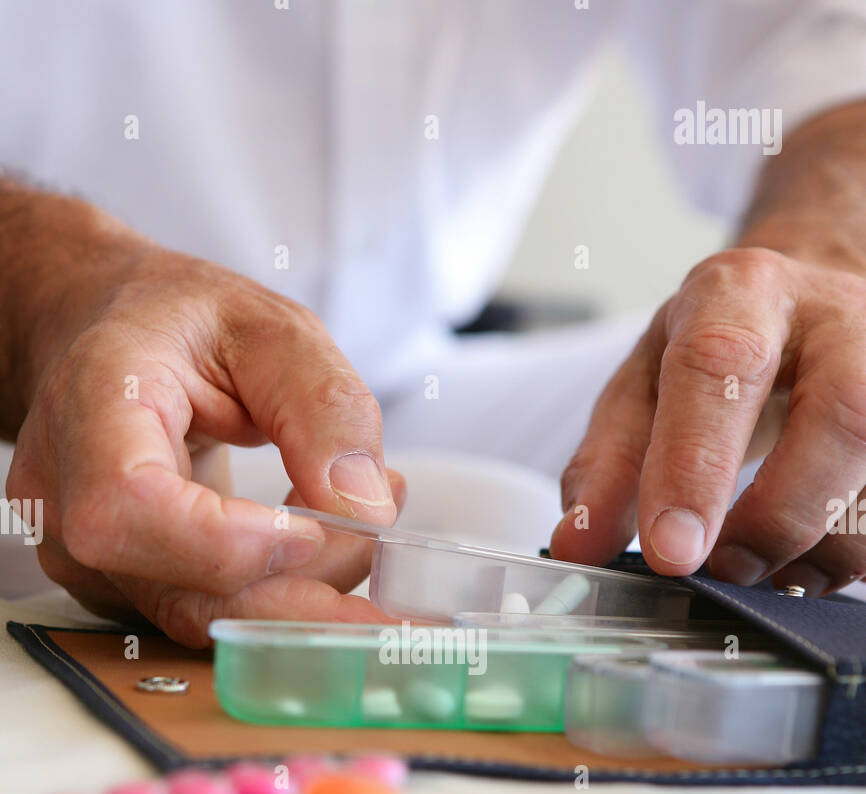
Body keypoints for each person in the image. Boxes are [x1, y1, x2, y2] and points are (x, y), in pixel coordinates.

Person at [1, 0, 865, 645]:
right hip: (32, 402)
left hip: (421, 385)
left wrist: (826, 261)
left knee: (808, 430)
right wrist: (52, 290)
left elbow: (825, 44)